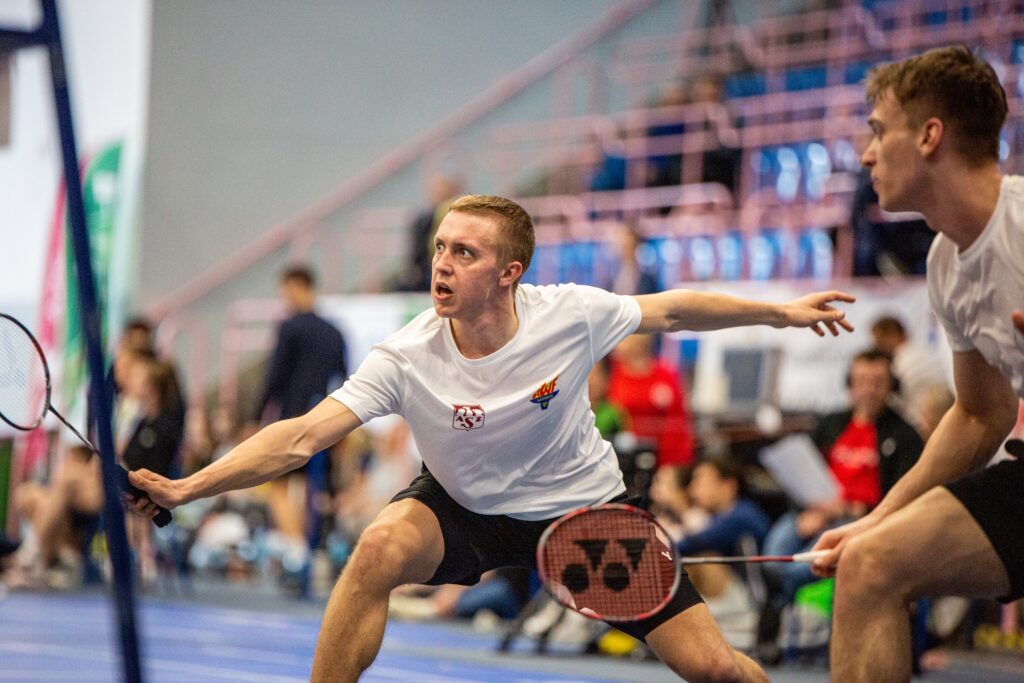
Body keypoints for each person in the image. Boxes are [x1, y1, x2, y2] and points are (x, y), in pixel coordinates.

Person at [129, 194, 854, 682]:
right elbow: (301, 436)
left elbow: (672, 310)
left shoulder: (569, 314)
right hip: (463, 508)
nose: (442, 264)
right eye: (440, 248)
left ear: (510, 273)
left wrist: (779, 313)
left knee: (716, 670)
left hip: (584, 512)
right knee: (376, 550)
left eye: (465, 254)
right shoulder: (406, 355)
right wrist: (189, 487)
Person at [807, 46, 1024, 682]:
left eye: (879, 132)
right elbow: (981, 414)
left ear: (930, 136)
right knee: (869, 563)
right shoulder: (946, 264)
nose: (865, 155)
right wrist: (878, 519)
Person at [763, 349, 923, 604]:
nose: (868, 389)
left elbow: (904, 494)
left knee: (801, 569)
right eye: (861, 381)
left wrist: (855, 509)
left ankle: (778, 609)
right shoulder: (830, 424)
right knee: (772, 558)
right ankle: (779, 607)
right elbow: (801, 471)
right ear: (850, 384)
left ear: (891, 386)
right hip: (815, 510)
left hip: (861, 519)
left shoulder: (905, 436)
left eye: (877, 382)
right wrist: (807, 510)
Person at [257, 265, 348, 546]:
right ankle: (307, 547)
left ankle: (296, 548)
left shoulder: (290, 327)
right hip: (327, 418)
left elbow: (275, 377)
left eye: (286, 292)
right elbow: (344, 378)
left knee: (279, 485)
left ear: (298, 287)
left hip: (294, 418)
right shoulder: (334, 332)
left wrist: (257, 415)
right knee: (313, 488)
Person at [608, 333, 696, 468]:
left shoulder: (666, 375)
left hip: (661, 460)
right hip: (617, 458)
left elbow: (678, 424)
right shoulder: (609, 375)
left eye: (638, 334)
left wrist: (673, 465)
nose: (633, 339)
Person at [869, 315, 950, 432]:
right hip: (944, 422)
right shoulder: (926, 355)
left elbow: (891, 403)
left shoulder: (898, 365)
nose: (876, 346)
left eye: (878, 340)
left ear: (892, 335)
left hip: (919, 427)